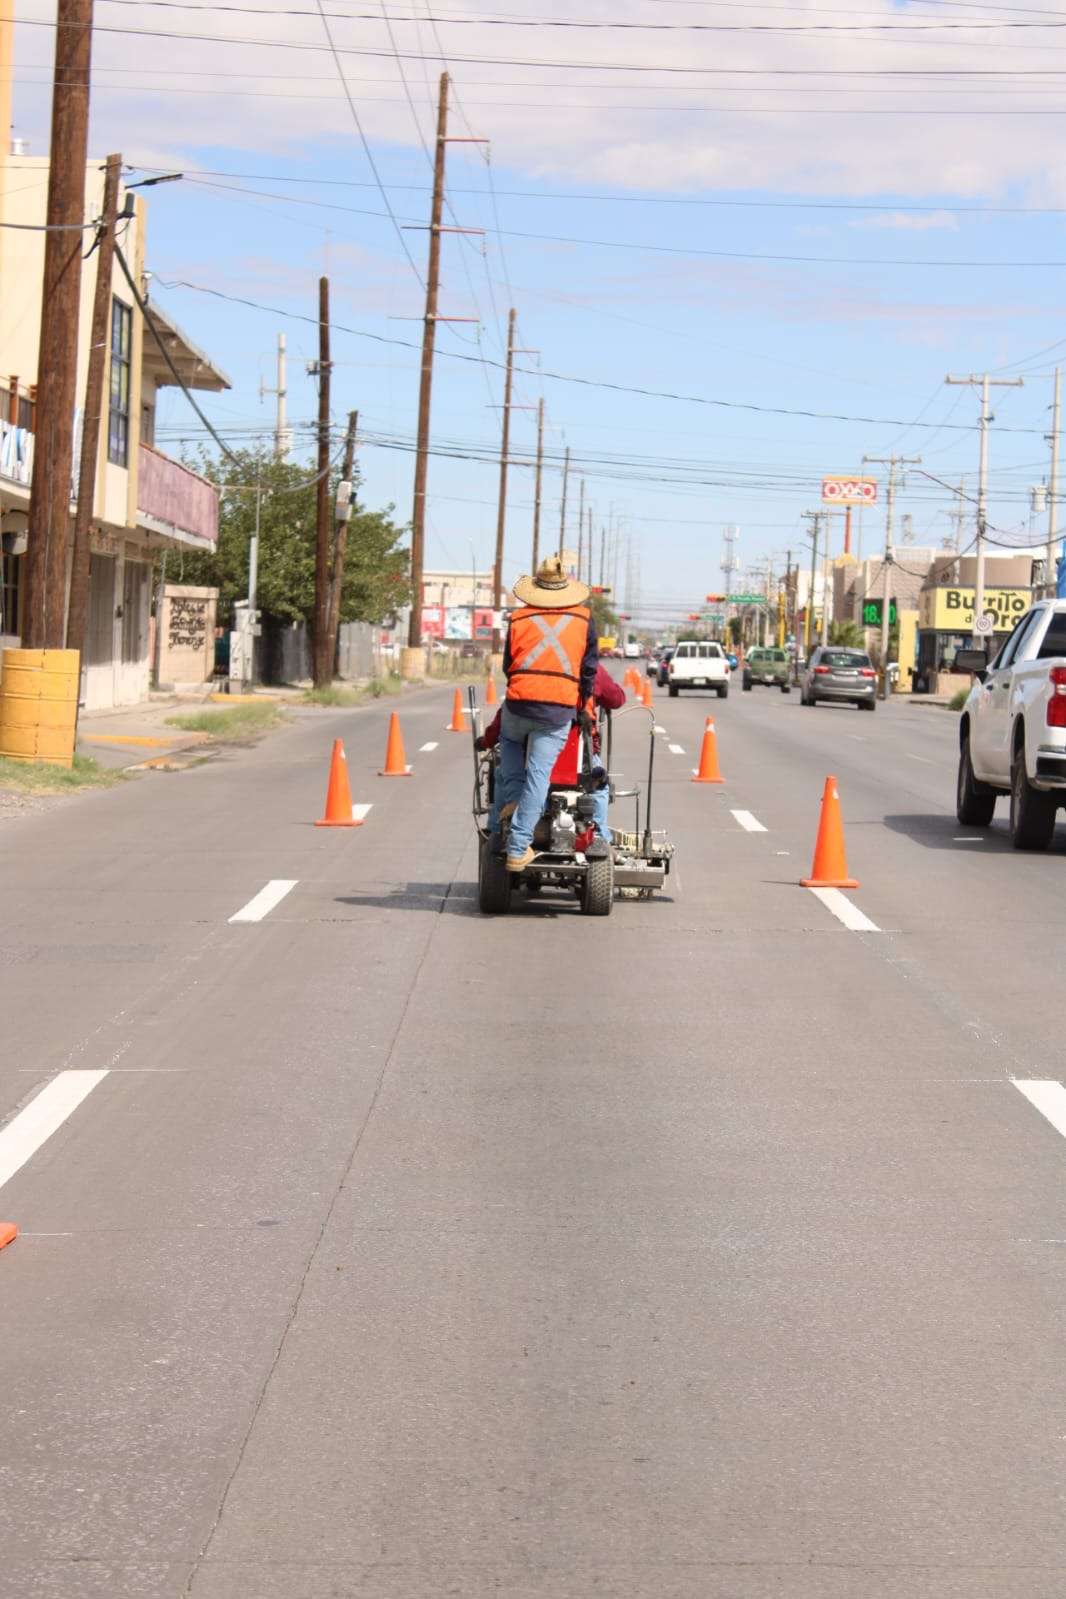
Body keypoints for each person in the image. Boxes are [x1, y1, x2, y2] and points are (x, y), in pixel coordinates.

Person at [491, 555, 598, 871]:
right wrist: (583, 704)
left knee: (509, 741)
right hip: (557, 709)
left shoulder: (519, 618)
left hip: (519, 701)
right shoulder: (583, 619)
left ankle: (511, 800)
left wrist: (524, 687)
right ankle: (518, 847)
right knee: (539, 777)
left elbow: (508, 665)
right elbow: (588, 669)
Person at [479, 660, 625, 857]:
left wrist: (487, 740)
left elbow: (507, 715)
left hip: (530, 756)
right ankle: (599, 835)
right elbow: (616, 698)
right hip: (580, 759)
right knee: (598, 785)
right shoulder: (590, 669)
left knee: (503, 774)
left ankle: (497, 832)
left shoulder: (532, 668)